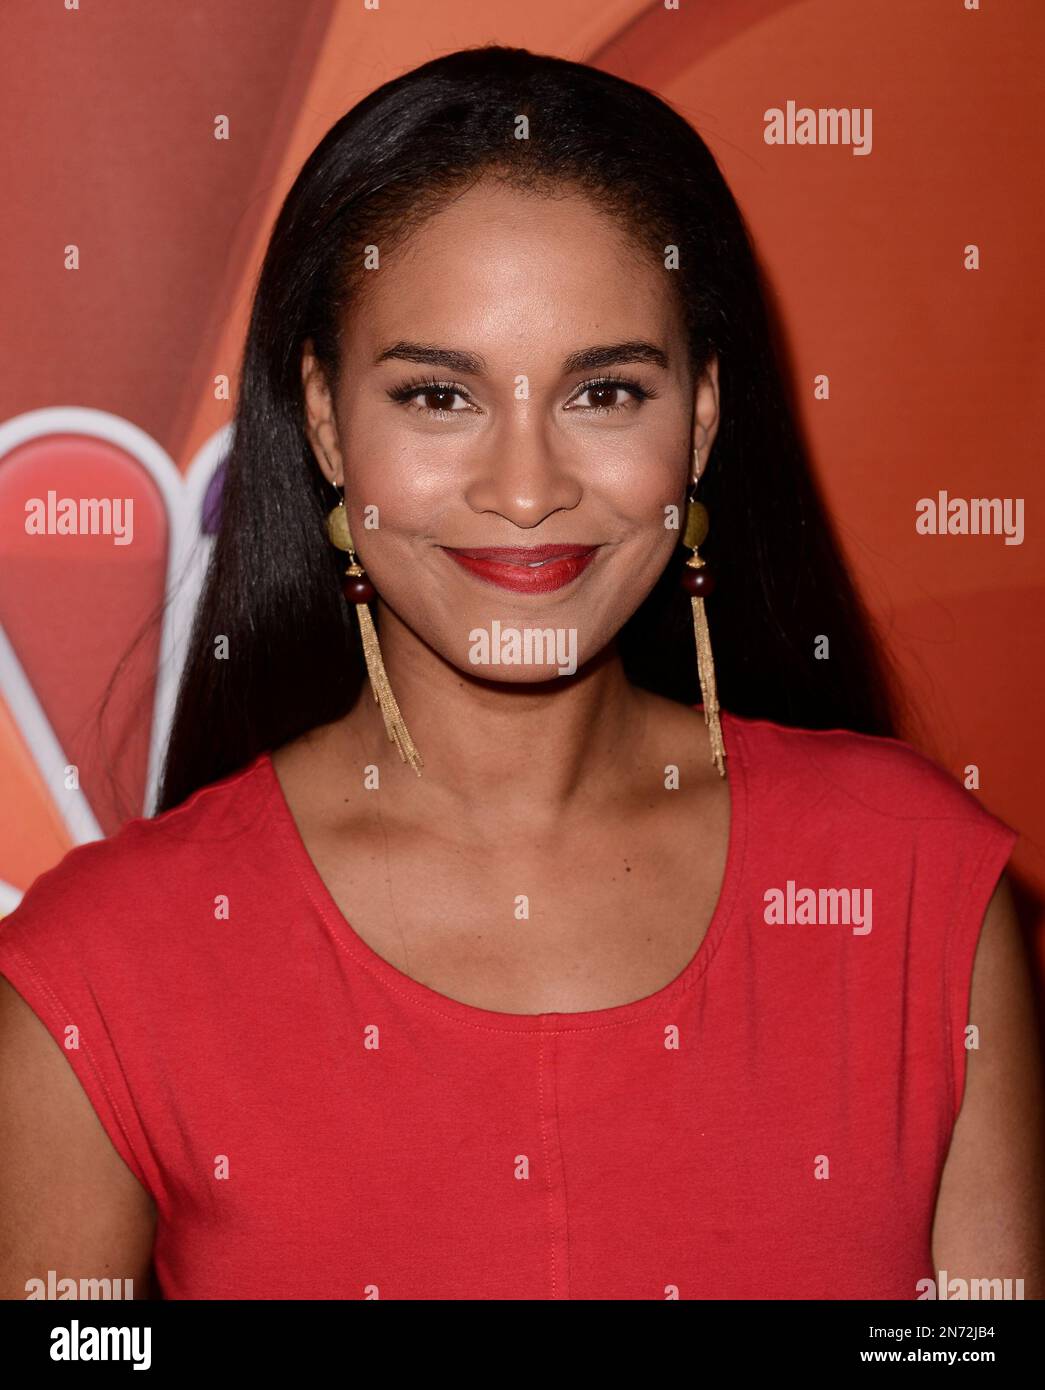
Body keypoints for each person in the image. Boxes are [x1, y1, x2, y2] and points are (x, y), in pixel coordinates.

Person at [1, 45, 1041, 1302]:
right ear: (326, 420)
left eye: (604, 390)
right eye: (439, 396)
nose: (527, 489)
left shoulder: (915, 886)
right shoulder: (99, 972)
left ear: (701, 419)